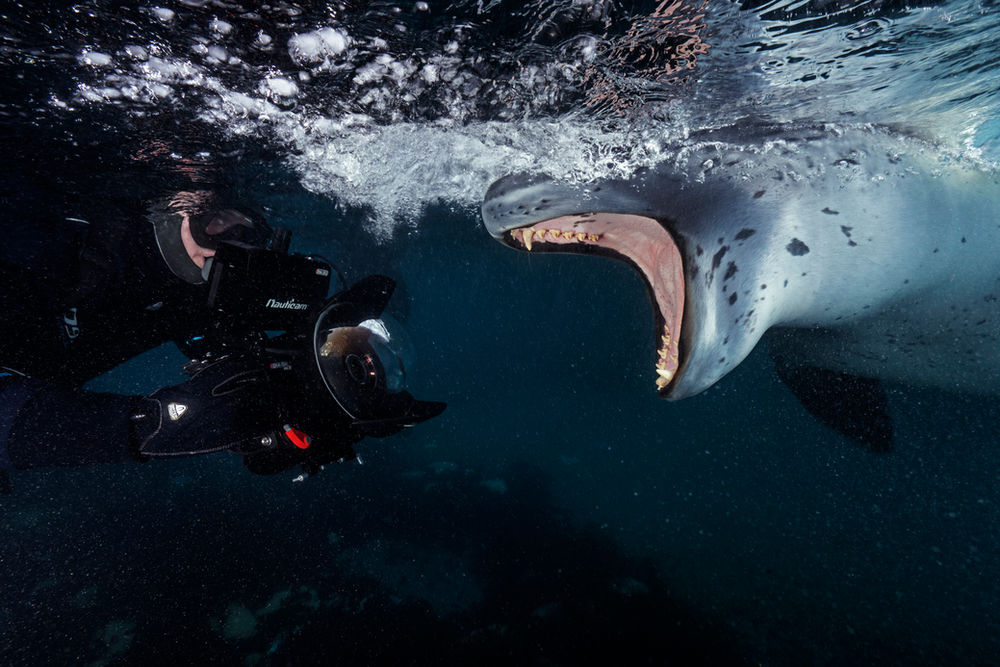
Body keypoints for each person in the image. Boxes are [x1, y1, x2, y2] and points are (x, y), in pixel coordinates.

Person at [0, 184, 443, 489]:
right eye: (213, 222)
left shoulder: (195, 294)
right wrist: (148, 423)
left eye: (248, 237)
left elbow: (245, 374)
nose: (227, 246)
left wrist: (307, 405)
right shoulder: (55, 238)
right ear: (170, 201)